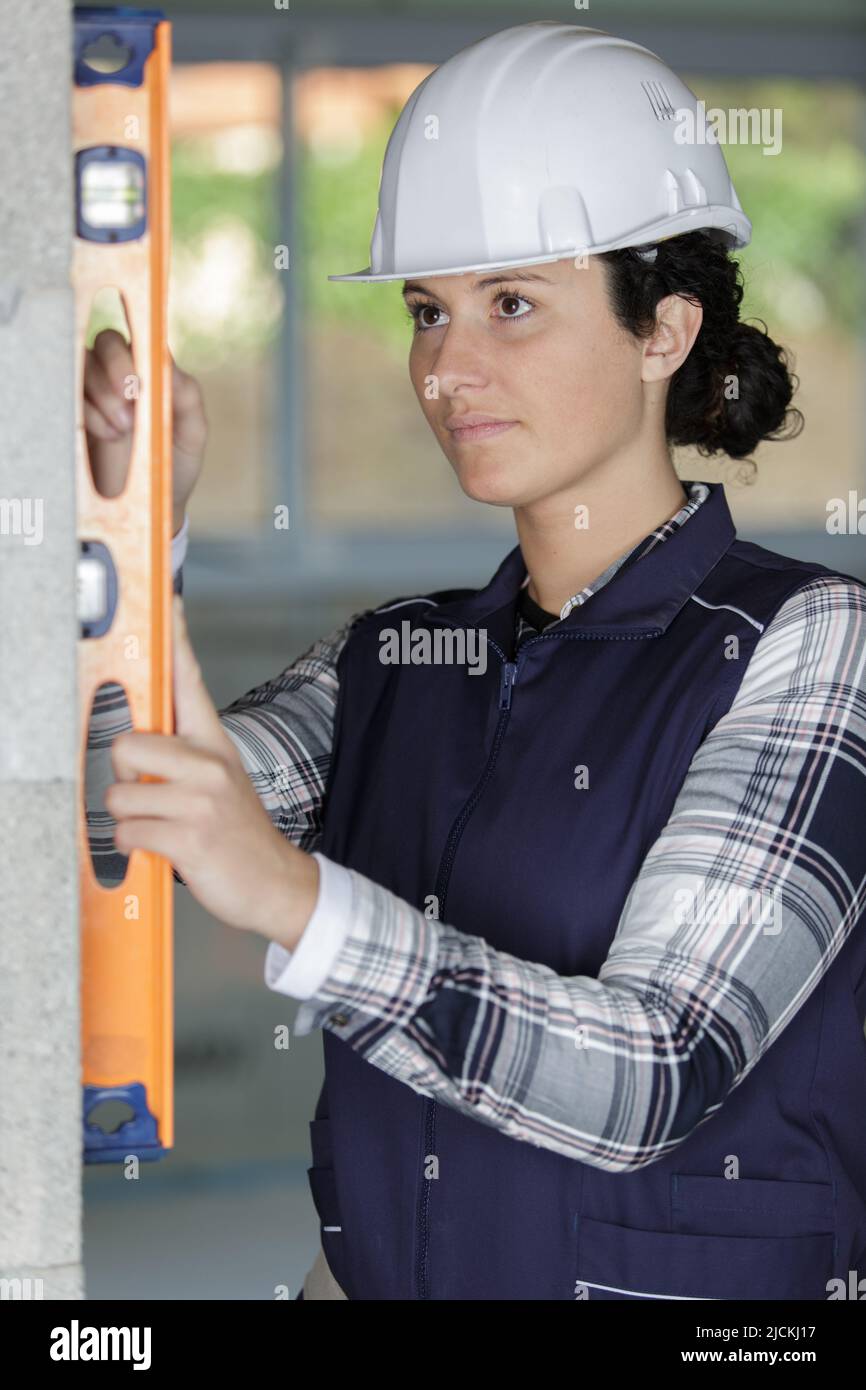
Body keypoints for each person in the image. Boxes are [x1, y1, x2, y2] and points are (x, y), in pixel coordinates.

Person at [85, 21, 866, 1301]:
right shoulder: (396, 656)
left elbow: (650, 1074)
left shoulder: (806, 641)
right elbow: (120, 805)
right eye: (426, 311)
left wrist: (292, 898)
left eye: (511, 304)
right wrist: (134, 530)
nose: (447, 369)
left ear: (662, 329)